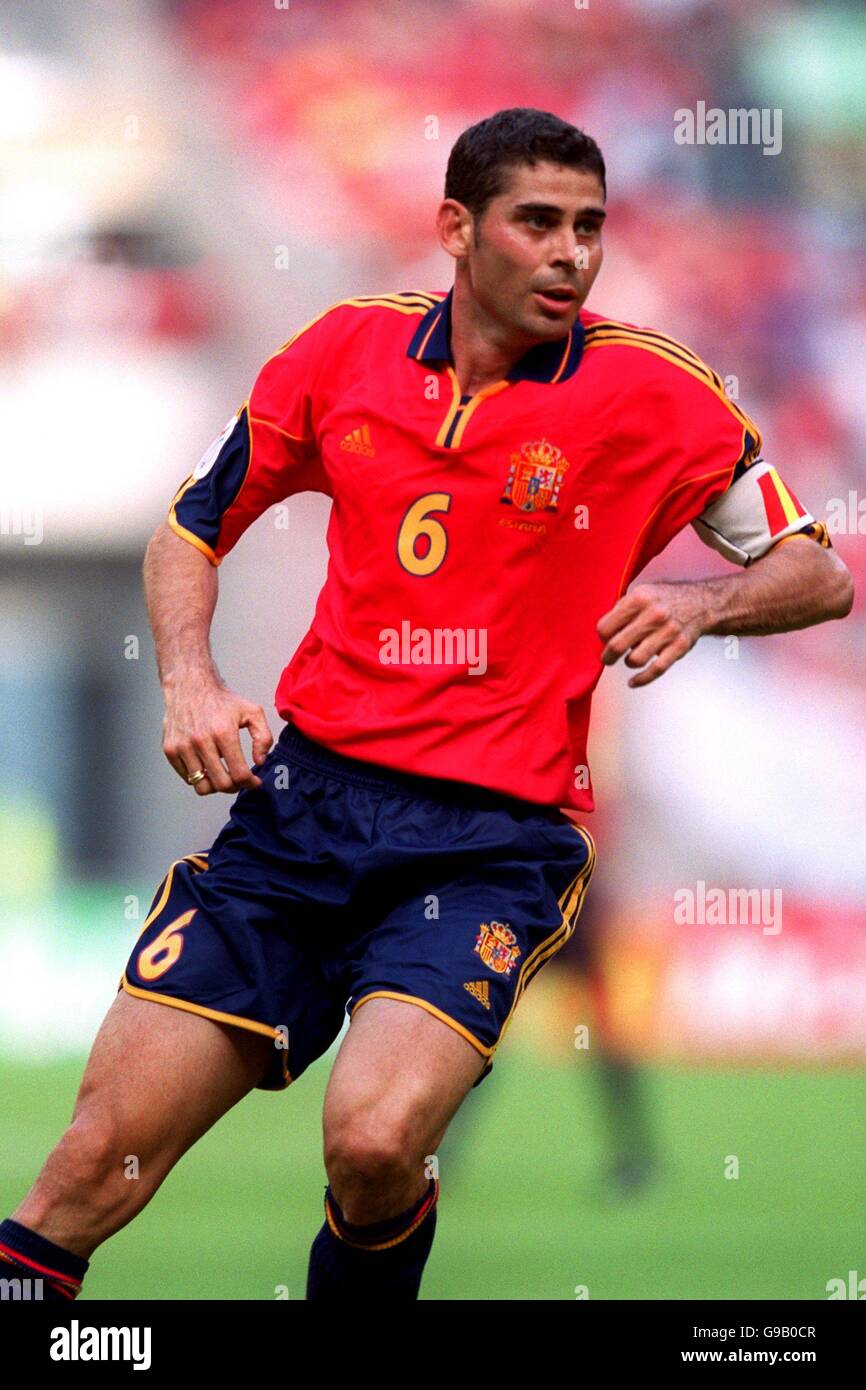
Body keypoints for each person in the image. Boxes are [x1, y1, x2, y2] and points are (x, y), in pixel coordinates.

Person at [0, 108, 852, 1304]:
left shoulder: (654, 394)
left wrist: (703, 604)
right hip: (301, 814)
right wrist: (190, 680)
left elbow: (817, 566)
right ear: (456, 228)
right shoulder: (341, 353)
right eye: (538, 223)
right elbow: (194, 522)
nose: (571, 254)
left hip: (490, 842)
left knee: (372, 1140)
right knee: (89, 1169)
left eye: (590, 227)